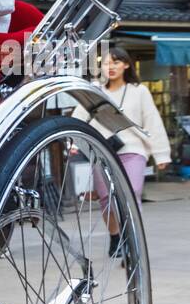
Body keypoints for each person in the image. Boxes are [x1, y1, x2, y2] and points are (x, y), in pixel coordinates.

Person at [70, 44, 170, 257]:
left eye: (115, 62)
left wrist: (161, 154)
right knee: (106, 198)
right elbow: (78, 117)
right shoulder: (94, 89)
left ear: (126, 65)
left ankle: (133, 241)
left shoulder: (139, 91)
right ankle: (116, 236)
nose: (110, 67)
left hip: (133, 149)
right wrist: (73, 143)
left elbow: (152, 121)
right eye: (106, 63)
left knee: (131, 192)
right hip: (102, 150)